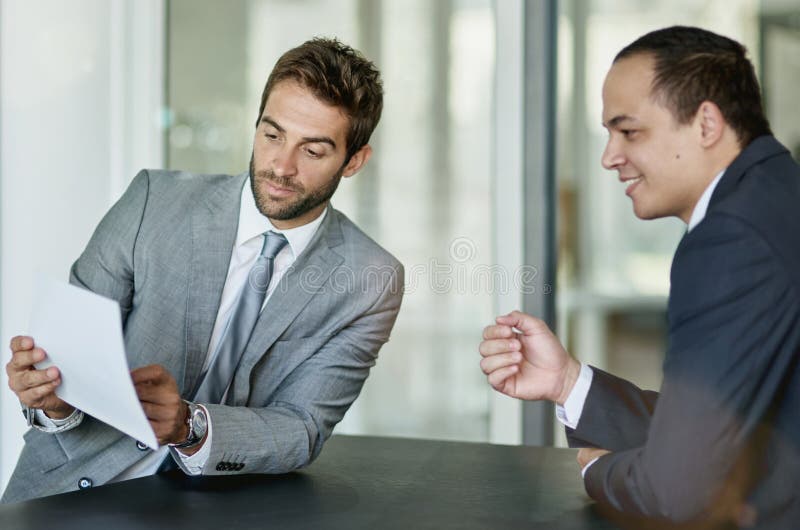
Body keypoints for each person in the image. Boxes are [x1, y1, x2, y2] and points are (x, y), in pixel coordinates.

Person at [3, 37, 403, 503]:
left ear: (353, 161)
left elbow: (303, 427)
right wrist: (51, 400)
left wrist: (190, 426)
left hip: (221, 505)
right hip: (67, 486)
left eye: (312, 152)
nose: (281, 165)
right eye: (272, 135)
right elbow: (68, 365)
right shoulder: (152, 202)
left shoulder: (370, 280)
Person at [480, 26, 799, 528]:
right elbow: (715, 433)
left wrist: (595, 470)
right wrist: (567, 382)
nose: (609, 156)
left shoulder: (731, 237)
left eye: (629, 132)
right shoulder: (776, 197)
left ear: (707, 123)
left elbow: (679, 487)